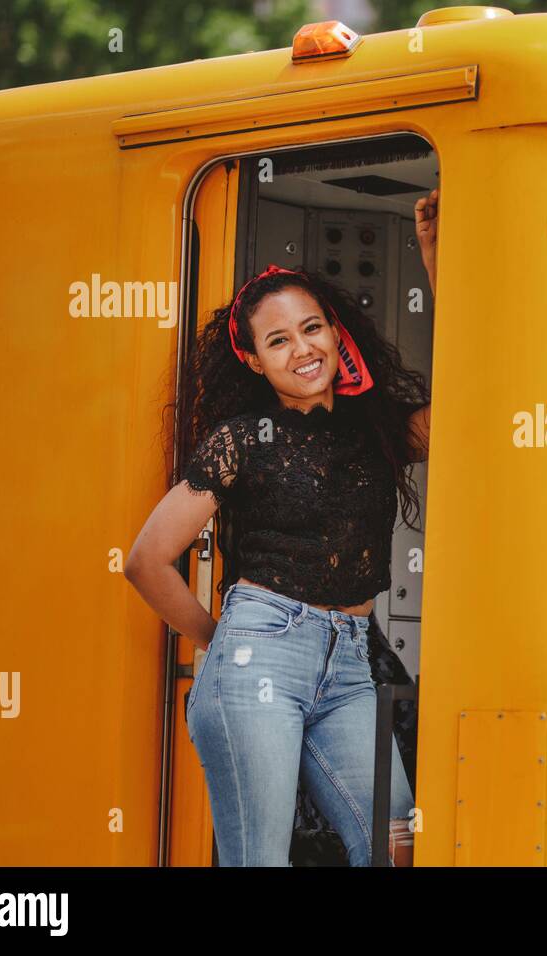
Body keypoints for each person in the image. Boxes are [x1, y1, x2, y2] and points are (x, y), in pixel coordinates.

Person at [124, 188, 440, 866]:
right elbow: (146, 559)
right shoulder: (244, 440)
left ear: (335, 331)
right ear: (254, 360)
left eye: (313, 328)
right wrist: (225, 641)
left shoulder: (378, 427)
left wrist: (437, 265)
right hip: (258, 655)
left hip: (351, 659)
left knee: (398, 851)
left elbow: (469, 406)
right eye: (278, 340)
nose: (302, 348)